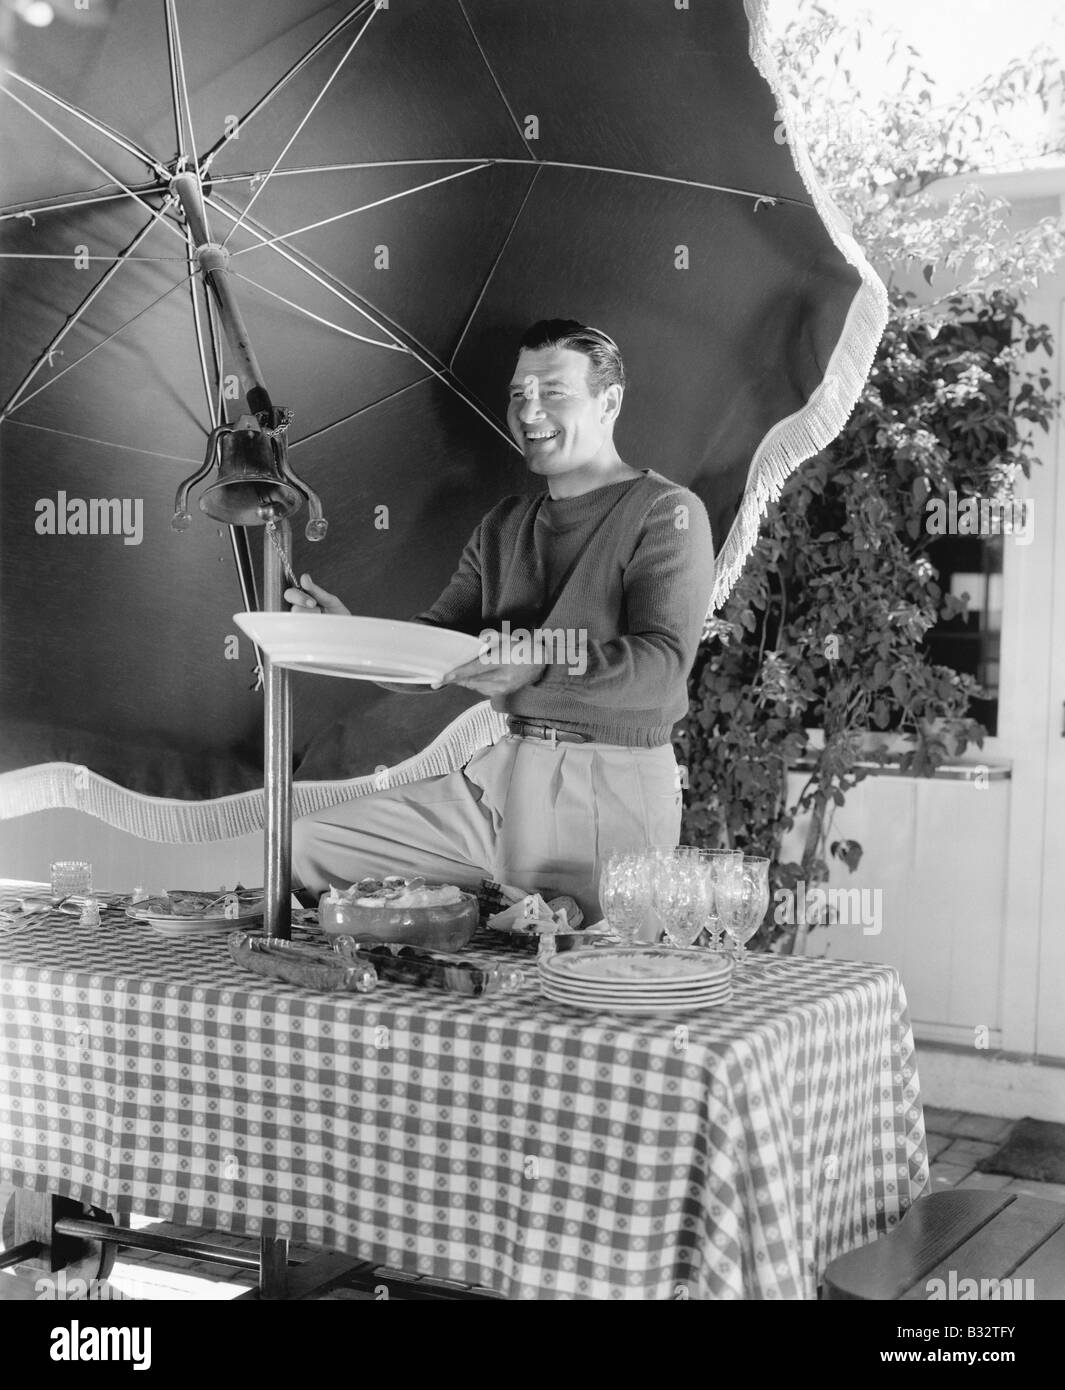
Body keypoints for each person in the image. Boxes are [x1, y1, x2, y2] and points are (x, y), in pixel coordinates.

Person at [285, 319, 715, 922]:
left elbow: (662, 669)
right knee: (312, 844)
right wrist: (348, 637)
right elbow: (439, 648)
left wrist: (534, 661)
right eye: (518, 393)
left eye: (553, 391)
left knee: (580, 969)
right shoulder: (505, 524)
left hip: (606, 782)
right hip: (499, 778)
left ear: (609, 401)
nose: (529, 409)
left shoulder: (667, 512)